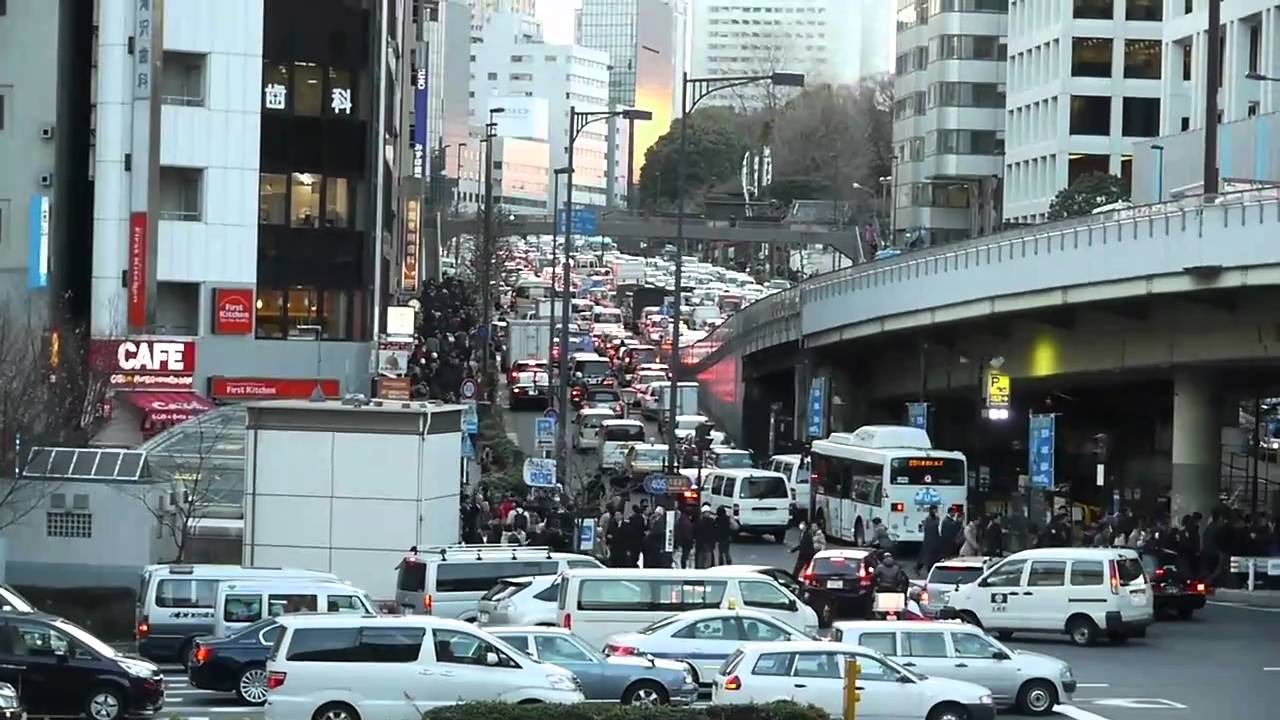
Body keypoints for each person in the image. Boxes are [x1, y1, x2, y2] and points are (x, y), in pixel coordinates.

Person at [918, 505, 941, 574]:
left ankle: (928, 569)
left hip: (935, 540)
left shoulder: (936, 518)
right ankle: (922, 568)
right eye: (935, 510)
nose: (936, 511)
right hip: (929, 540)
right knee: (927, 556)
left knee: (932, 556)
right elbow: (929, 528)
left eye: (936, 510)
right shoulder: (928, 519)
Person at [694, 504, 717, 568]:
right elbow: (714, 533)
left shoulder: (698, 521)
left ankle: (700, 569)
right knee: (707, 558)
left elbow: (695, 532)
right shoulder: (712, 521)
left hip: (701, 543)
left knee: (701, 559)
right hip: (708, 543)